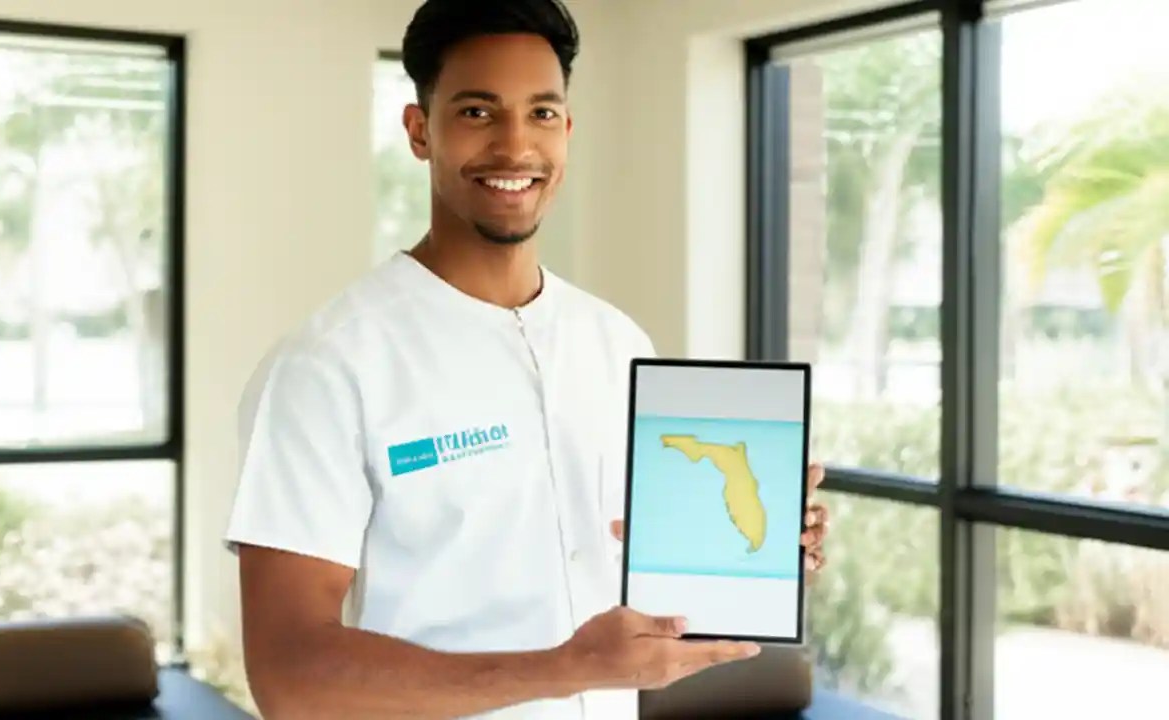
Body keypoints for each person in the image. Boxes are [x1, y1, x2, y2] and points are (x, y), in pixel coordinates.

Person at [224, 1, 830, 718]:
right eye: (478, 112)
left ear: (567, 131)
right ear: (421, 132)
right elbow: (291, 677)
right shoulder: (328, 366)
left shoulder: (618, 345)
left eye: (542, 113)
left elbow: (640, 609)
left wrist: (749, 559)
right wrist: (563, 668)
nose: (516, 146)